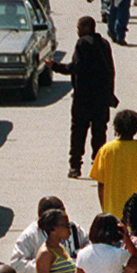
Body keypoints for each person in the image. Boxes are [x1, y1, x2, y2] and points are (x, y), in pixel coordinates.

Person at [48, 16, 116, 178]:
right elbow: (111, 71)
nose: (77, 30)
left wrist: (55, 66)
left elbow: (76, 67)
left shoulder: (83, 43)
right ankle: (99, 167)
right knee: (99, 133)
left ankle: (75, 166)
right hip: (101, 99)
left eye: (79, 27)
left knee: (78, 132)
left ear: (86, 28)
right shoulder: (104, 44)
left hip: (84, 99)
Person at [9, 195, 89, 273]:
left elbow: (88, 246)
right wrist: (47, 268)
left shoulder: (74, 229)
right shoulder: (30, 235)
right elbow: (16, 264)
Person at [90, 108, 137, 218]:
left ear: (116, 128)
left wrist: (105, 209)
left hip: (112, 212)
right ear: (136, 128)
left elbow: (101, 184)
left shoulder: (106, 150)